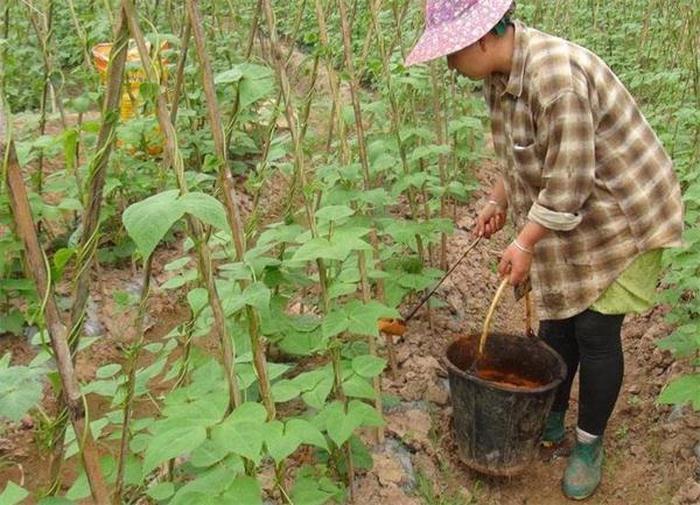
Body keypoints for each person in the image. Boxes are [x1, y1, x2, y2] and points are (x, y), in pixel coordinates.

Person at [405, 0, 683, 500]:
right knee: (557, 321)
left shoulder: (556, 79)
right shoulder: (499, 77)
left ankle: (588, 443)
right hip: (572, 214)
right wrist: (497, 199)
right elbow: (524, 153)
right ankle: (550, 413)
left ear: (485, 37)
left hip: (621, 214)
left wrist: (524, 241)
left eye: (451, 51)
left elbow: (570, 182)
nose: (448, 64)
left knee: (595, 329)